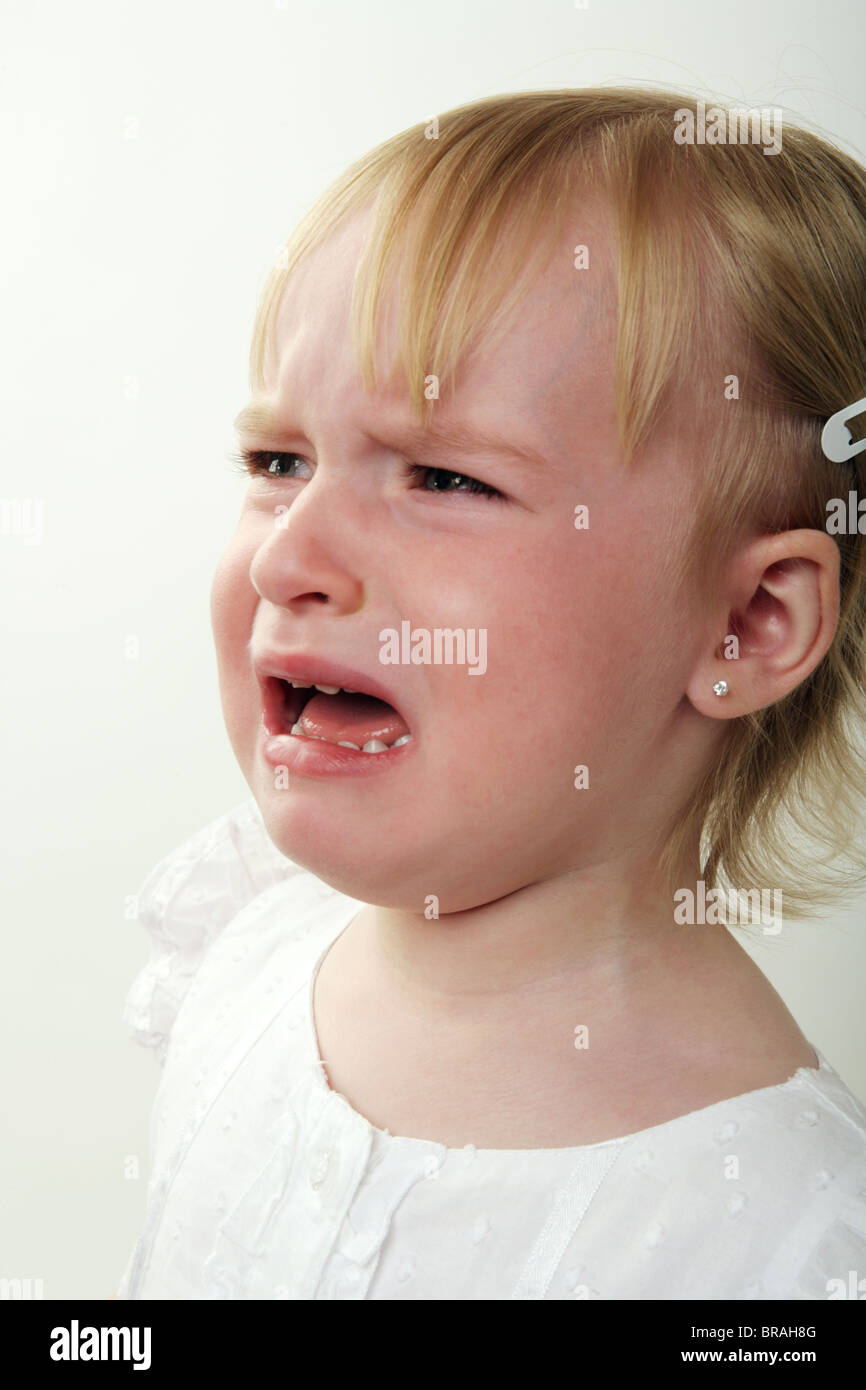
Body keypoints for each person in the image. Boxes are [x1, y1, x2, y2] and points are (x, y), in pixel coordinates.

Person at [116, 86, 866, 1300]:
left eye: (444, 477)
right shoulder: (243, 959)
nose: (286, 557)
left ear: (747, 622)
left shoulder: (784, 1245)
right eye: (277, 461)